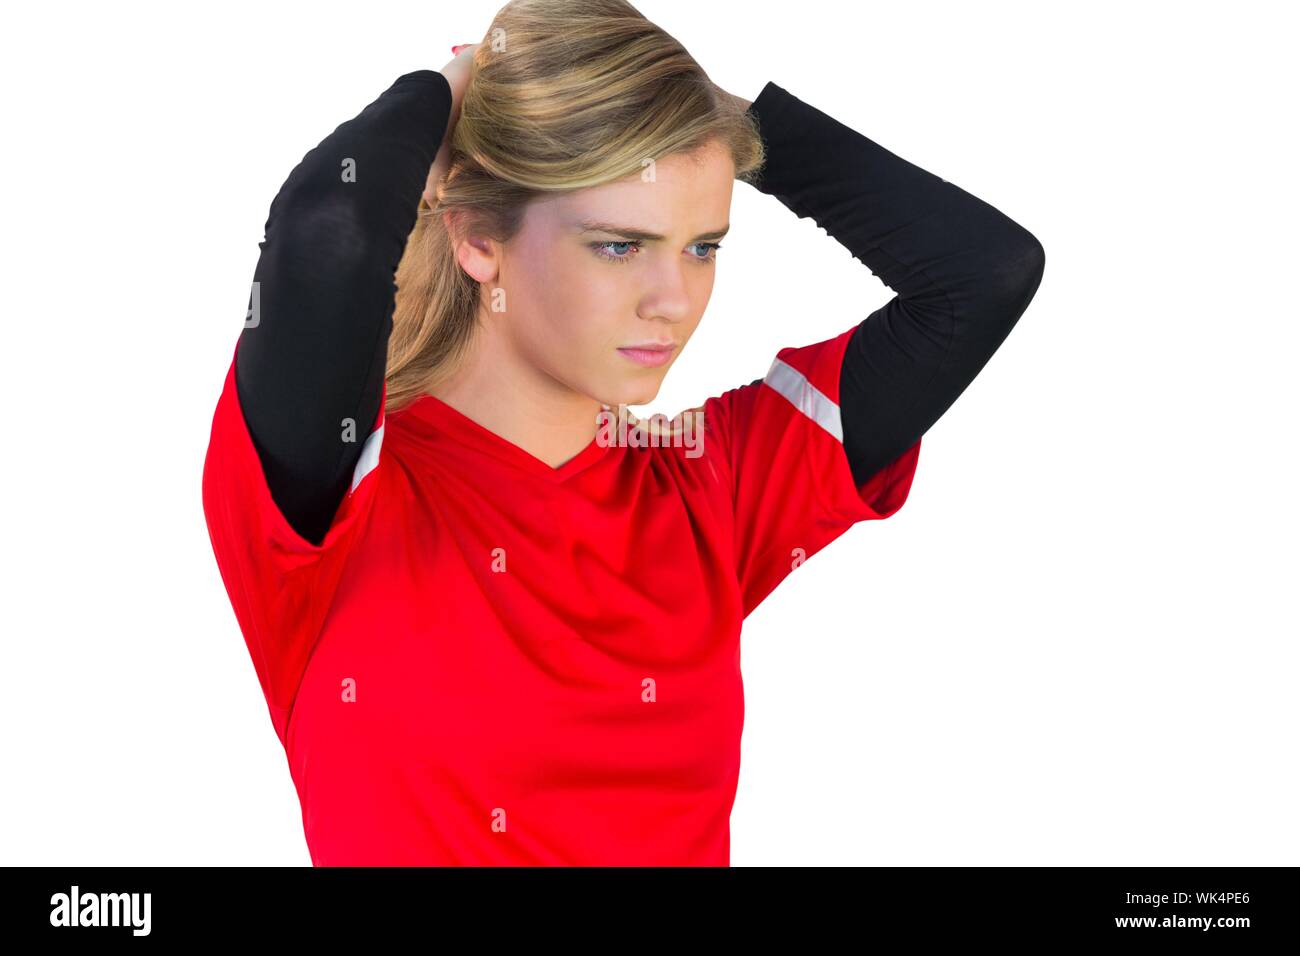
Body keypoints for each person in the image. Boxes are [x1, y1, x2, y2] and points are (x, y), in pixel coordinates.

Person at [202, 0, 1045, 865]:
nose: (673, 300)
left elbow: (985, 275)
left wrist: (716, 121)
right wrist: (462, 84)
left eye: (702, 246)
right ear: (477, 237)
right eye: (618, 246)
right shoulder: (330, 494)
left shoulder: (716, 484)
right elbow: (327, 232)